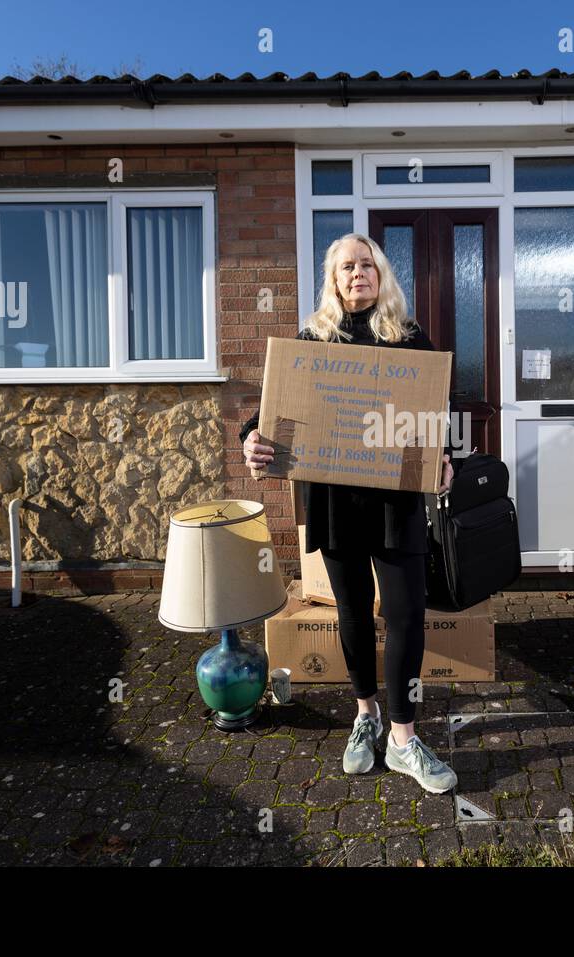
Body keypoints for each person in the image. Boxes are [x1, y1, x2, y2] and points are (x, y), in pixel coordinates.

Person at [239, 233, 458, 794]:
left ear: (380, 276)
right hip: (335, 501)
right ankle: (366, 715)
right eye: (346, 267)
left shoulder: (408, 340)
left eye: (366, 264)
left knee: (408, 614)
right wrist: (252, 437)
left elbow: (435, 413)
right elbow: (273, 408)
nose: (357, 273)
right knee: (354, 613)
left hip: (395, 501)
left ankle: (404, 739)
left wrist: (444, 457)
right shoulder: (313, 339)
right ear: (332, 280)